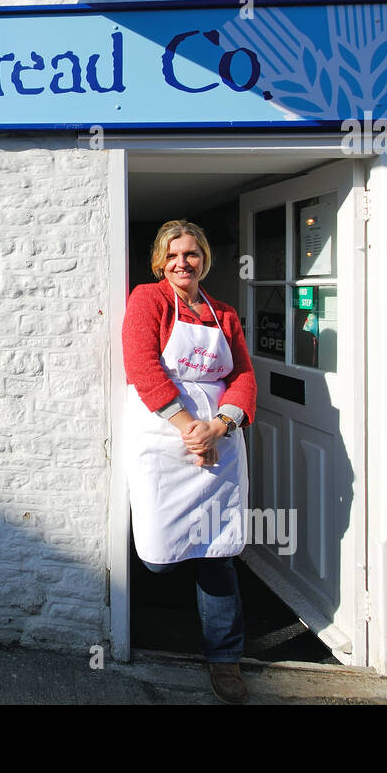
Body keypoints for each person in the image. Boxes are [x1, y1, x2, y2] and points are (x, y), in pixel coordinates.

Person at [121, 219, 257, 704]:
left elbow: (243, 374)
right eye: (174, 254)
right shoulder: (149, 299)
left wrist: (219, 426)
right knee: (159, 553)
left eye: (192, 254)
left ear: (204, 259)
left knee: (216, 552)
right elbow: (142, 364)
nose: (183, 262)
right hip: (164, 437)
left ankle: (225, 658)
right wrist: (188, 428)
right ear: (161, 261)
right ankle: (150, 629)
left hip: (220, 443)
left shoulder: (224, 313)